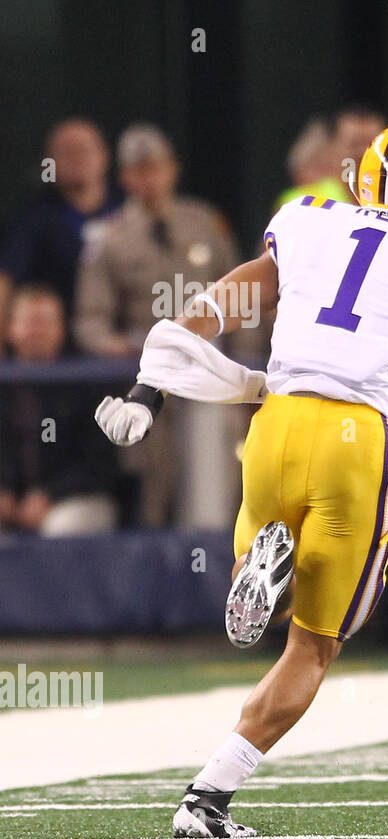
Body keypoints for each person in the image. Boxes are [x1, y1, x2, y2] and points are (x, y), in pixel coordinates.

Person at [93, 121, 388, 837]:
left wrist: (152, 385)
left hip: (274, 425)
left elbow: (224, 300)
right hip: (355, 442)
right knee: (313, 645)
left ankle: (260, 568)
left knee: (262, 584)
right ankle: (206, 799)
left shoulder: (310, 219)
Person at [74, 124, 241, 528]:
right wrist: (112, 345)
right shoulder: (110, 239)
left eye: (157, 167)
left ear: (173, 170)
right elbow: (89, 318)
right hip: (149, 377)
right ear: (125, 177)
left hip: (209, 376)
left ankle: (211, 574)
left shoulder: (205, 223)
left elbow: (242, 293)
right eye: (139, 170)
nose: (150, 178)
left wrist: (245, 365)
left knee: (214, 489)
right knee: (153, 484)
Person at [0, 284, 118, 535]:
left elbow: (101, 464)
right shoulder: (5, 386)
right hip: (10, 503)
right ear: (10, 328)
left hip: (75, 500)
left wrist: (50, 495)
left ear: (62, 328)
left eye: (45, 323)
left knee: (61, 527)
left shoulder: (87, 384)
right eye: (30, 322)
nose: (37, 331)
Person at [0, 118, 123, 350]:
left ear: (104, 156)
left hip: (116, 346)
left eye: (83, 150)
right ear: (50, 162)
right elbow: (5, 278)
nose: (76, 158)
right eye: (66, 152)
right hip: (51, 354)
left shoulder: (127, 212)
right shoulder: (35, 216)